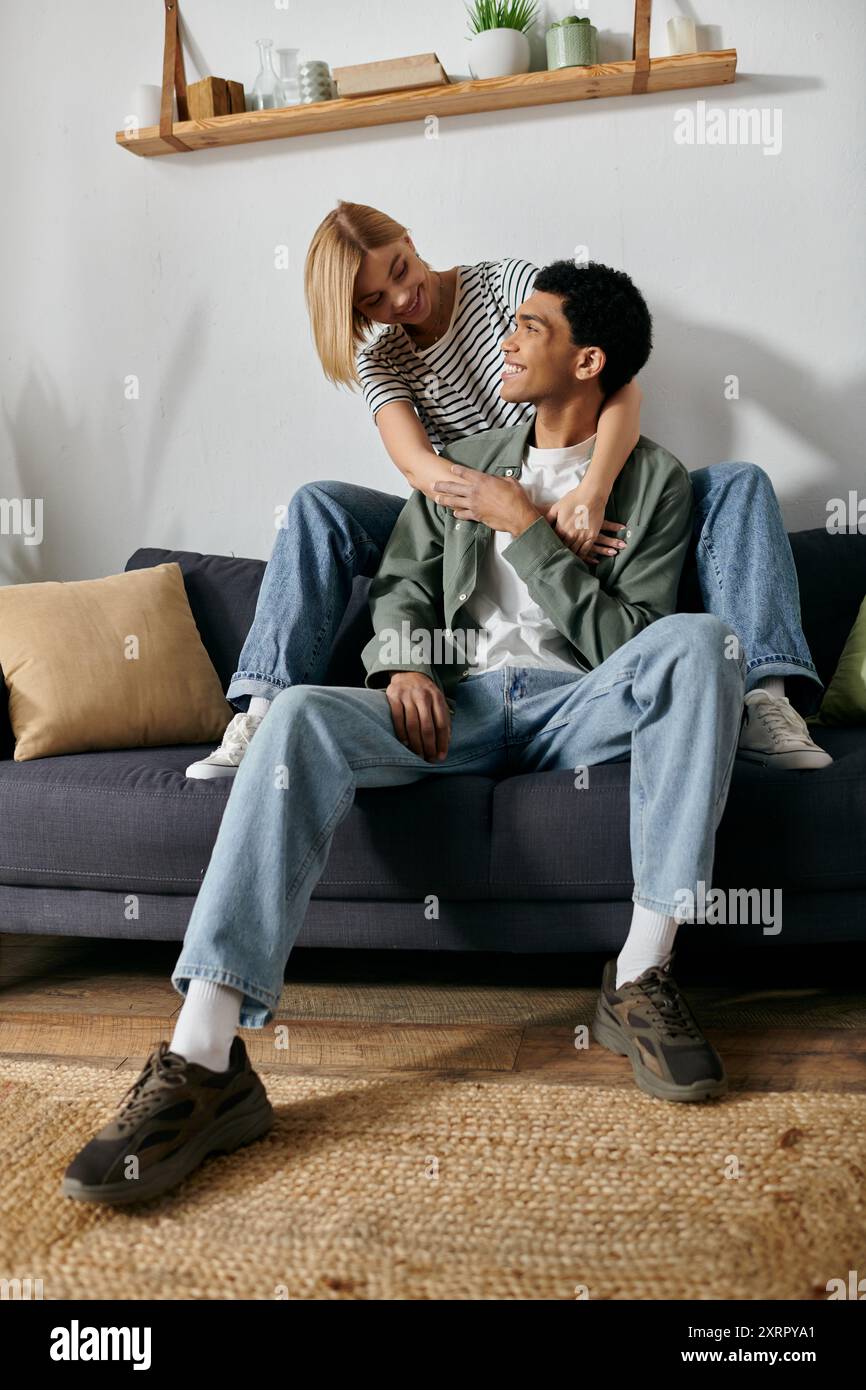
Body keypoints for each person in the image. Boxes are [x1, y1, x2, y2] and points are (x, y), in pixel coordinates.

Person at [65, 261, 752, 1206]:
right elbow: (400, 586)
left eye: (530, 329)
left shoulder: (657, 482)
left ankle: (641, 975)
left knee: (704, 640)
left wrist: (528, 532)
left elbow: (631, 646)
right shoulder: (458, 458)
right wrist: (401, 663)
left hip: (580, 709)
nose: (504, 342)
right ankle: (207, 1055)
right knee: (300, 712)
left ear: (589, 361)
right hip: (459, 709)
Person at [184, 200, 829, 781]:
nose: (400, 301)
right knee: (316, 504)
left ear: (409, 238)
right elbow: (418, 468)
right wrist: (523, 515)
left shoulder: (504, 288)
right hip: (461, 517)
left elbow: (619, 380)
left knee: (738, 483)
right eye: (374, 302)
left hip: (585, 485)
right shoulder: (383, 360)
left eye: (401, 271)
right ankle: (264, 708)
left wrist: (592, 491)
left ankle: (765, 698)